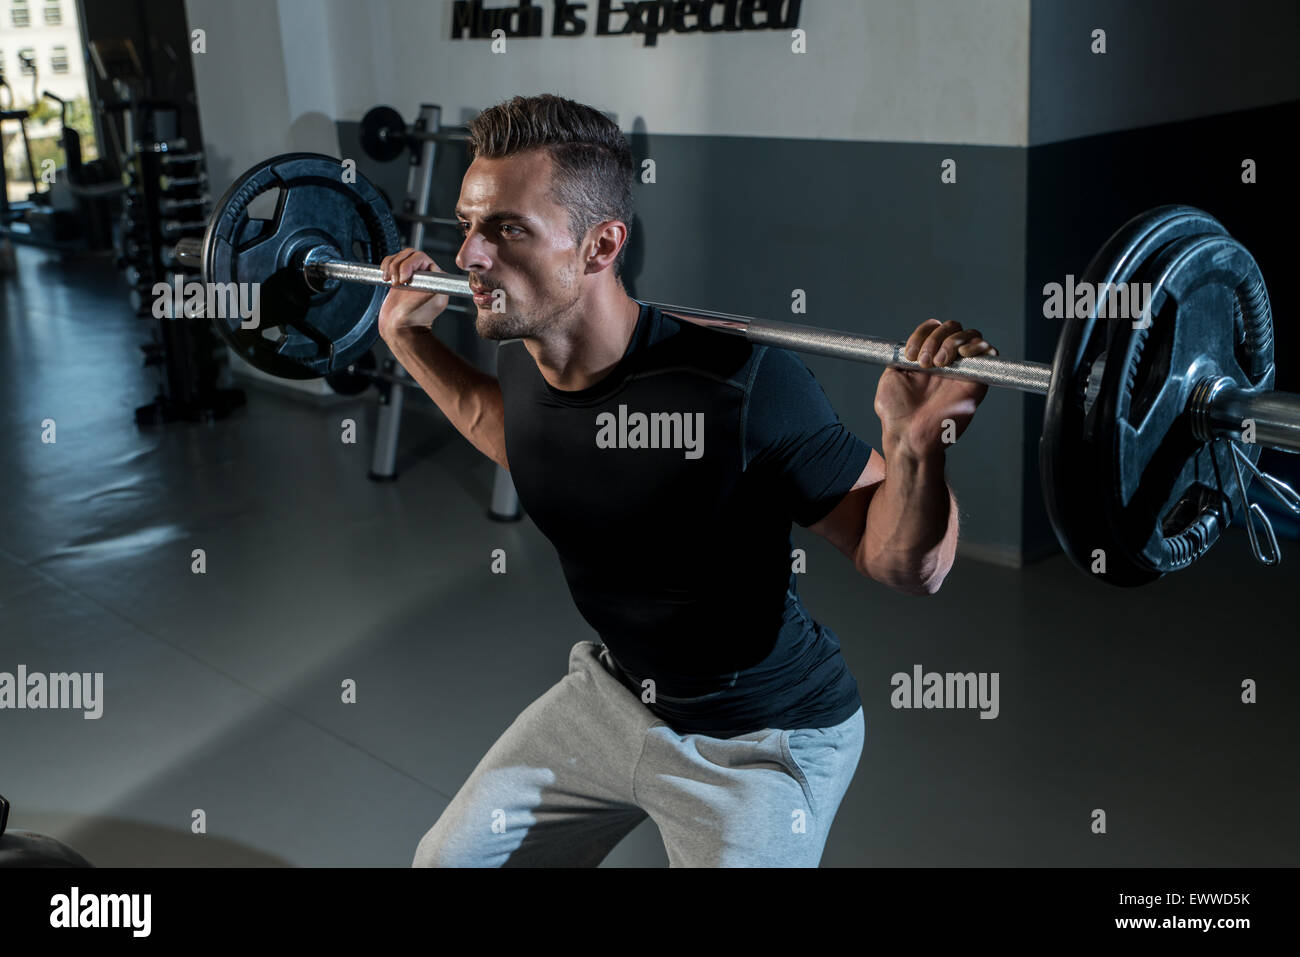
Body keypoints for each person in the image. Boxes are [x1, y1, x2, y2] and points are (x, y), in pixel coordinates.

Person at [378, 94, 997, 867]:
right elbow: (516, 436)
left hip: (763, 736)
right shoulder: (524, 345)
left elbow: (908, 565)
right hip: (614, 695)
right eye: (467, 226)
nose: (469, 255)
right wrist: (407, 341)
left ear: (601, 245)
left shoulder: (744, 388)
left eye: (507, 229)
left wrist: (914, 447)